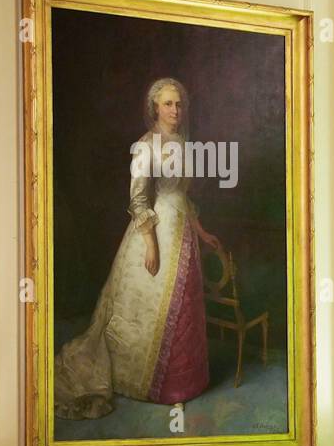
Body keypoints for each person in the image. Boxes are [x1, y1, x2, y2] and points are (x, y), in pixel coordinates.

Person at [54, 77, 220, 420]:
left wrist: (202, 232)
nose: (175, 110)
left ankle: (183, 384)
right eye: (167, 104)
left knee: (185, 307)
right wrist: (150, 243)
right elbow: (139, 198)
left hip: (183, 234)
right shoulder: (145, 146)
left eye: (178, 104)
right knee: (148, 311)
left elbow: (183, 196)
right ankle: (151, 384)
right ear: (154, 108)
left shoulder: (184, 142)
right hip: (156, 233)